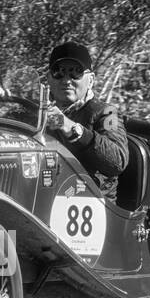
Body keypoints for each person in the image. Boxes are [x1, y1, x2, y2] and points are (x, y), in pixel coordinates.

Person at [41, 41, 129, 205]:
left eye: (76, 72)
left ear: (91, 79)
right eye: (59, 72)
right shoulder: (39, 110)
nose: (66, 79)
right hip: (43, 195)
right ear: (49, 78)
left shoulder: (107, 113)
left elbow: (117, 160)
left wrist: (71, 128)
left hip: (91, 202)